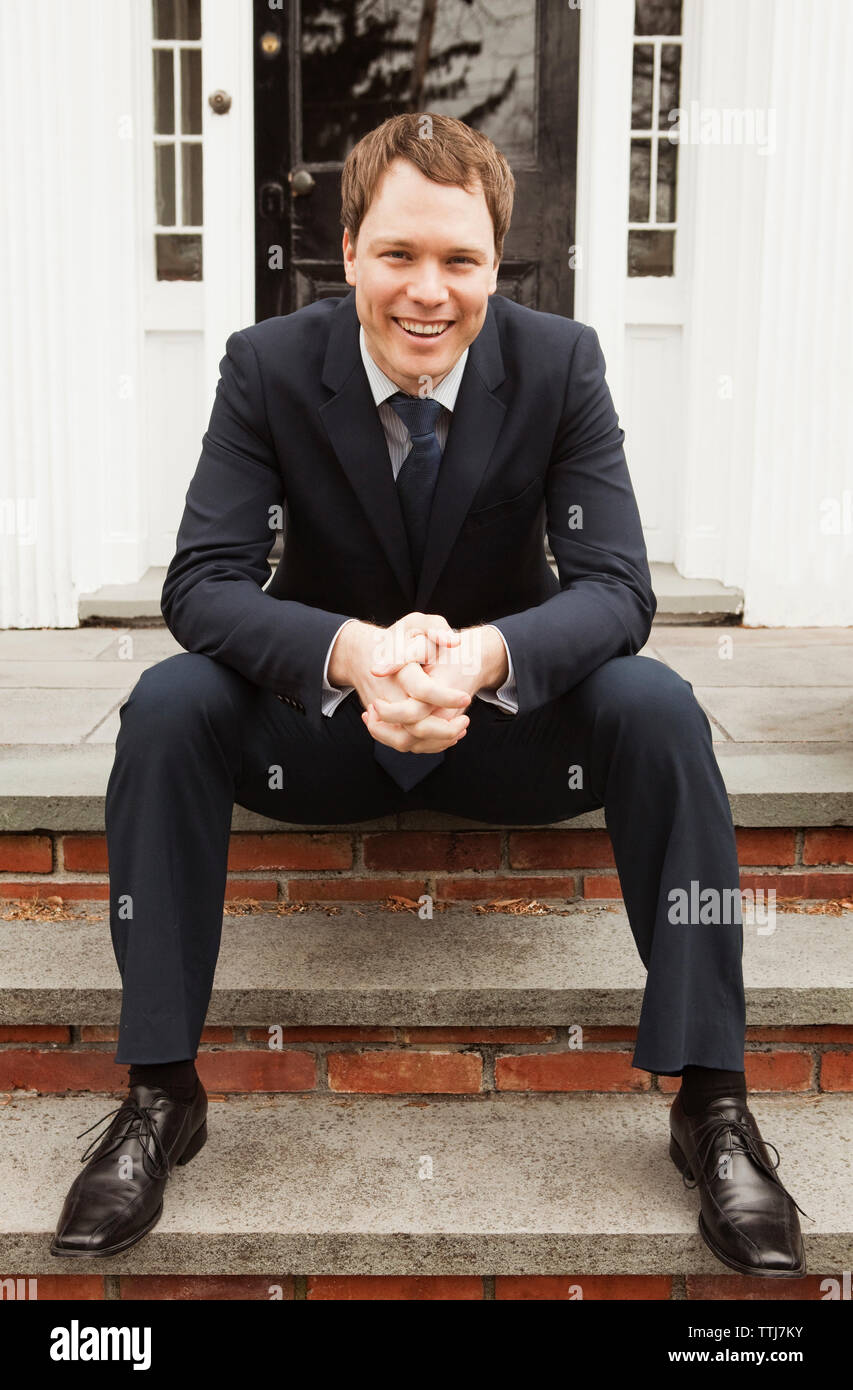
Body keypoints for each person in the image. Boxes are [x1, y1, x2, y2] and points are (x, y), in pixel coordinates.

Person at [51, 113, 805, 1277]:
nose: (427, 291)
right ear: (346, 247)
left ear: (494, 267)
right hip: (324, 737)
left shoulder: (560, 363)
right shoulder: (266, 366)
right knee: (166, 704)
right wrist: (352, 652)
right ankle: (159, 1092)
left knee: (657, 705)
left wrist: (480, 658)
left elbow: (614, 588)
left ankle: (710, 1102)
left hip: (505, 734)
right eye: (397, 253)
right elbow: (202, 585)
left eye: (459, 260)